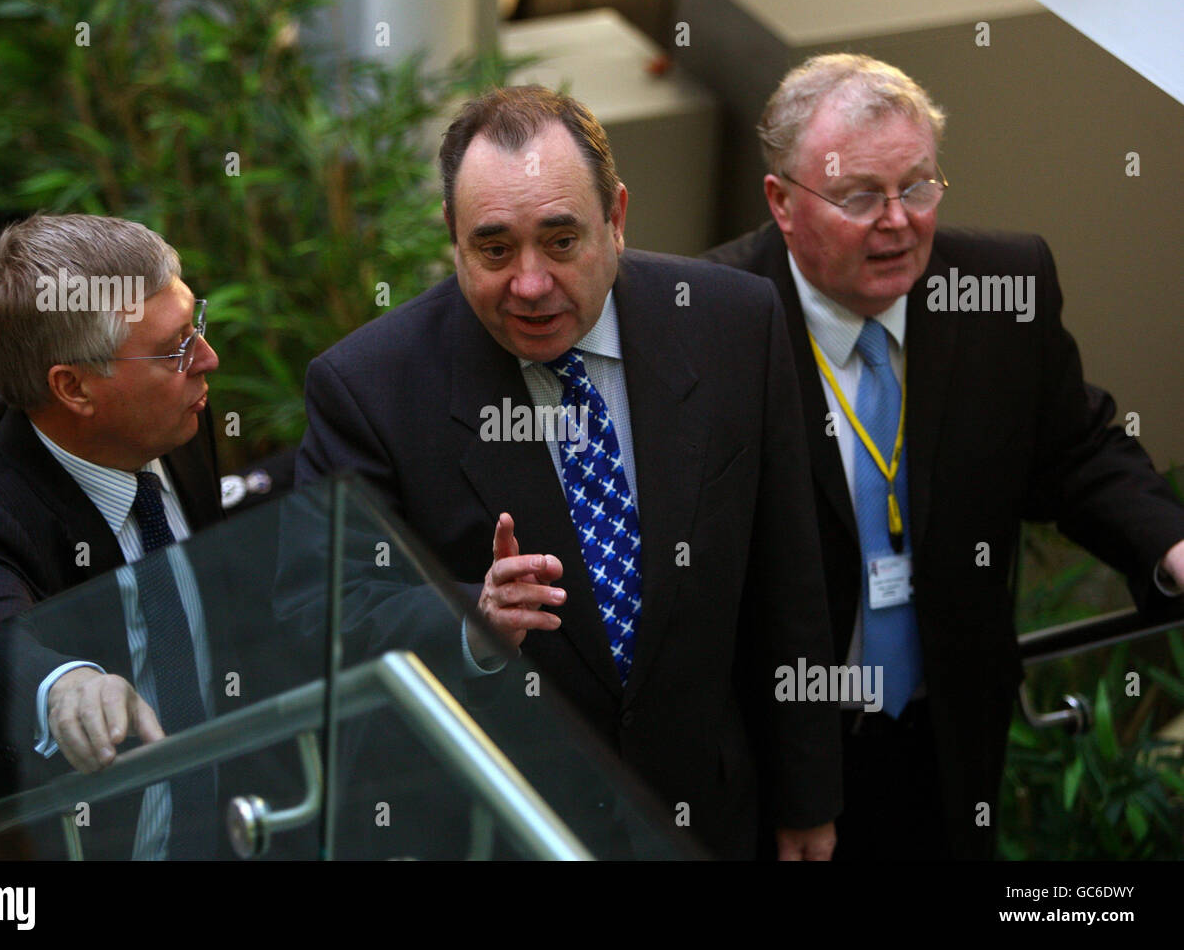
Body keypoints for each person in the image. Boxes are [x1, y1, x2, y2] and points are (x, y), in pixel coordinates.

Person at [297, 85, 842, 859]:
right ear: (452, 237)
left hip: (704, 820)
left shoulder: (733, 325)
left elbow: (788, 579)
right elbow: (320, 613)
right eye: (494, 249)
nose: (529, 282)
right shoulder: (370, 388)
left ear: (616, 219)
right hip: (500, 829)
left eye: (561, 241)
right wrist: (467, 617)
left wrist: (807, 801)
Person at [703, 53, 1184, 859]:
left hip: (947, 744)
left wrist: (1172, 547)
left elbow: (1075, 453)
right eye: (861, 196)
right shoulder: (708, 317)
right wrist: (795, 784)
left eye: (918, 186)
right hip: (775, 761)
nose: (898, 221)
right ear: (782, 203)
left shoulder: (1001, 285)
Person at [0, 213, 227, 858]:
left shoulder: (175, 415)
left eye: (197, 326)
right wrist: (67, 686)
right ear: (73, 387)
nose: (207, 358)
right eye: (176, 346)